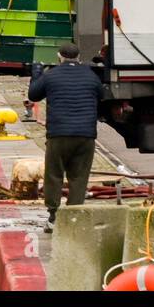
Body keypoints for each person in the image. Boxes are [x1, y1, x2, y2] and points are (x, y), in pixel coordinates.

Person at [27, 43, 103, 233]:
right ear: (78, 57)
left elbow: (33, 95)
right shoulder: (91, 76)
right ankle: (74, 216)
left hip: (58, 134)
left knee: (54, 175)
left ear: (59, 56)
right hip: (85, 135)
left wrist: (36, 73)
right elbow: (101, 95)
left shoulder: (51, 76)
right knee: (79, 177)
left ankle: (53, 216)